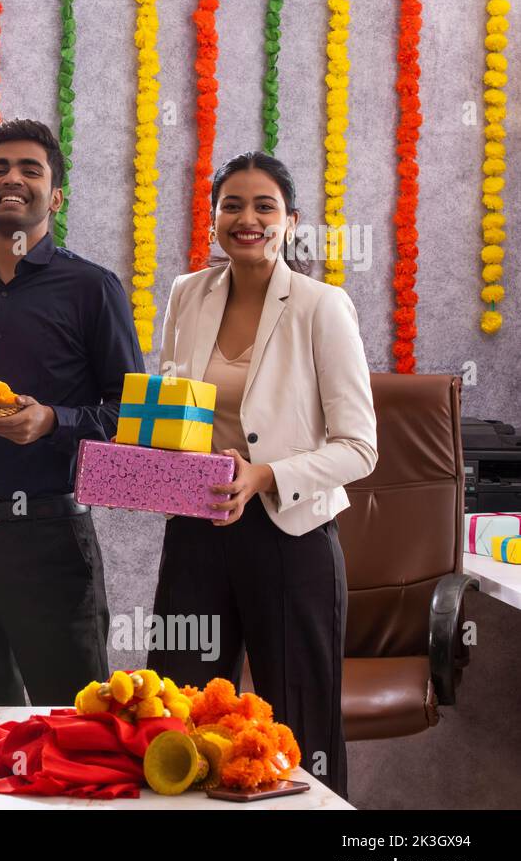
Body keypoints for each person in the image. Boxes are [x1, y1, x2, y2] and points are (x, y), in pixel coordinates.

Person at [146, 150, 376, 797]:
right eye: (233, 205)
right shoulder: (186, 294)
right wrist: (145, 458)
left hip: (289, 538)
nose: (247, 218)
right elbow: (175, 408)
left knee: (299, 733)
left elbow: (360, 447)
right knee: (178, 718)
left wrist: (266, 474)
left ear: (290, 221)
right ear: (214, 215)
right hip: (197, 531)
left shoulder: (321, 306)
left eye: (264, 206)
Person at [0, 118, 144, 707]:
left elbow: (134, 417)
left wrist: (54, 421)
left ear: (55, 196)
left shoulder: (93, 288)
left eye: (30, 170)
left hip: (52, 541)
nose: (12, 178)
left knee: (75, 724)